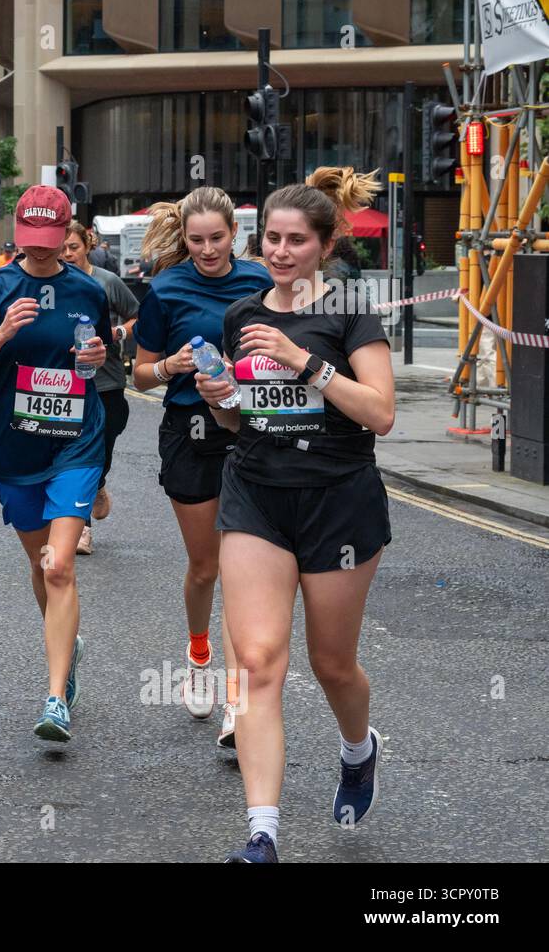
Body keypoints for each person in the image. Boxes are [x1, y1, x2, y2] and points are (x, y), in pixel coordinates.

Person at [198, 169, 393, 864]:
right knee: (256, 662)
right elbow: (235, 419)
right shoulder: (240, 316)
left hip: (339, 499)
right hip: (257, 493)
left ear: (324, 244)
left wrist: (302, 360)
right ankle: (262, 832)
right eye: (272, 240)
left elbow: (381, 413)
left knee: (333, 663)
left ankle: (357, 749)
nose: (281, 253)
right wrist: (220, 394)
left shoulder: (350, 311)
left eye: (296, 241)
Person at [0, 186, 112, 743]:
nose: (42, 254)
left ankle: (55, 694)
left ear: (68, 234)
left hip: (77, 441)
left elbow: (98, 361)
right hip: (16, 449)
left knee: (60, 564)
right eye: (32, 243)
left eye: (53, 243)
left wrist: (93, 360)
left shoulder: (88, 290)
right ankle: (67, 642)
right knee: (42, 566)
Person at [132, 187, 272, 744]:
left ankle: (238, 703)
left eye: (217, 238)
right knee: (205, 567)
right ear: (183, 238)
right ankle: (197, 653)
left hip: (250, 428)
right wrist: (171, 364)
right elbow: (139, 373)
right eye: (197, 240)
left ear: (233, 234)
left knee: (242, 569)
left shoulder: (258, 281)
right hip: (190, 433)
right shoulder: (165, 288)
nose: (208, 249)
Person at [61, 221, 139, 556]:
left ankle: (100, 483)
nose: (67, 254)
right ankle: (81, 530)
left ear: (88, 245)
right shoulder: (55, 284)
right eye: (62, 248)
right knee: (76, 456)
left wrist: (118, 334)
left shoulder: (107, 282)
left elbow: (140, 315)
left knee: (101, 451)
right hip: (66, 384)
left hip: (107, 383)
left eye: (73, 247)